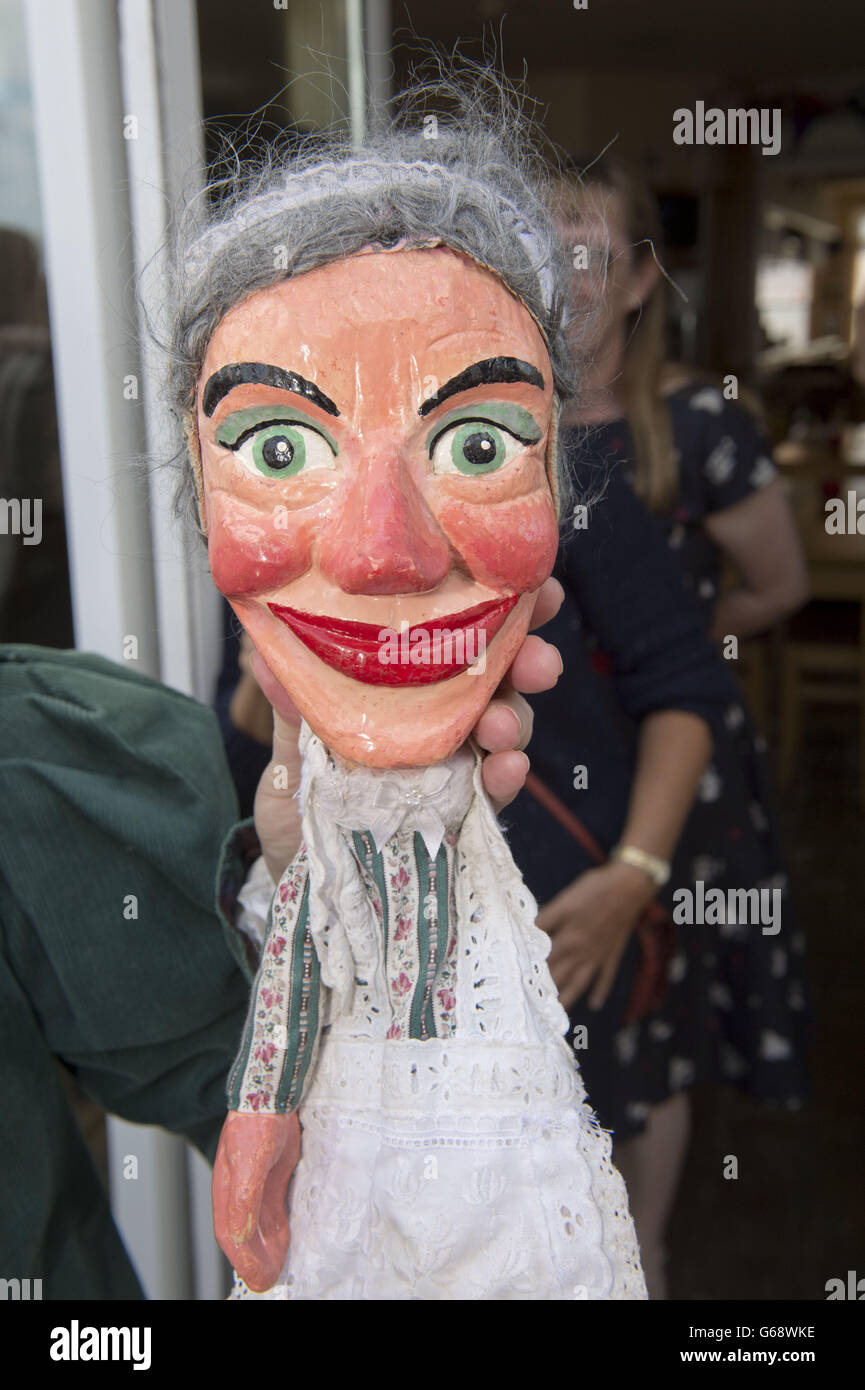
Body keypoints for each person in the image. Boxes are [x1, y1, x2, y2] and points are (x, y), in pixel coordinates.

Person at [163, 68, 725, 1299]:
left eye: (475, 446)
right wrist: (263, 1115)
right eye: (278, 449)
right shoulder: (294, 749)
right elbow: (307, 940)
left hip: (568, 945)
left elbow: (692, 687)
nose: (383, 549)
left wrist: (634, 874)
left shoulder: (605, 520)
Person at [499, 156, 811, 1298]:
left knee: (659, 1015)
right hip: (554, 775)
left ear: (637, 280)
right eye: (542, 248)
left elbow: (775, 589)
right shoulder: (498, 427)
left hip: (677, 768)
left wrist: (652, 654)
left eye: (587, 252)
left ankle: (651, 1254)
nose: (563, 276)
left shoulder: (691, 425)